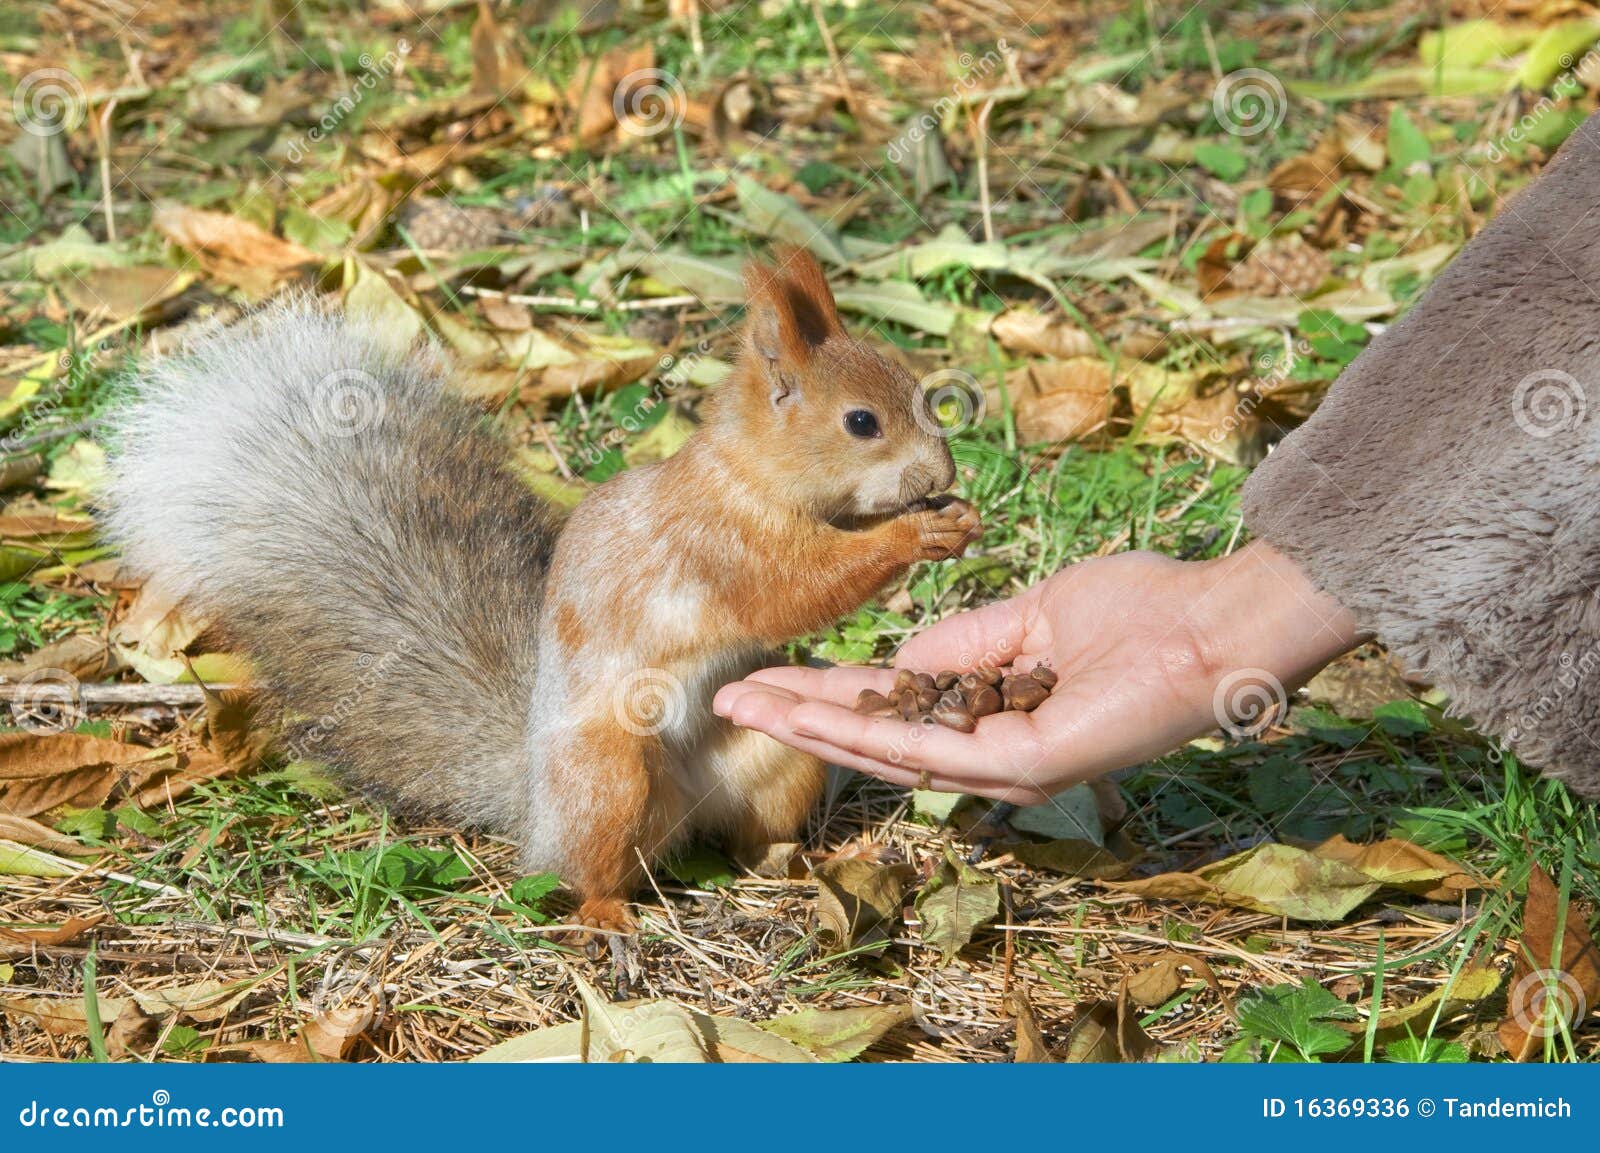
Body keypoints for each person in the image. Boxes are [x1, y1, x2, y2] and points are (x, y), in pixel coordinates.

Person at [715, 112, 1600, 807]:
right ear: (777, 391)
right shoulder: (733, 497)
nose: (938, 470)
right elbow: (772, 593)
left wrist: (1217, 637)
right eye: (873, 427)